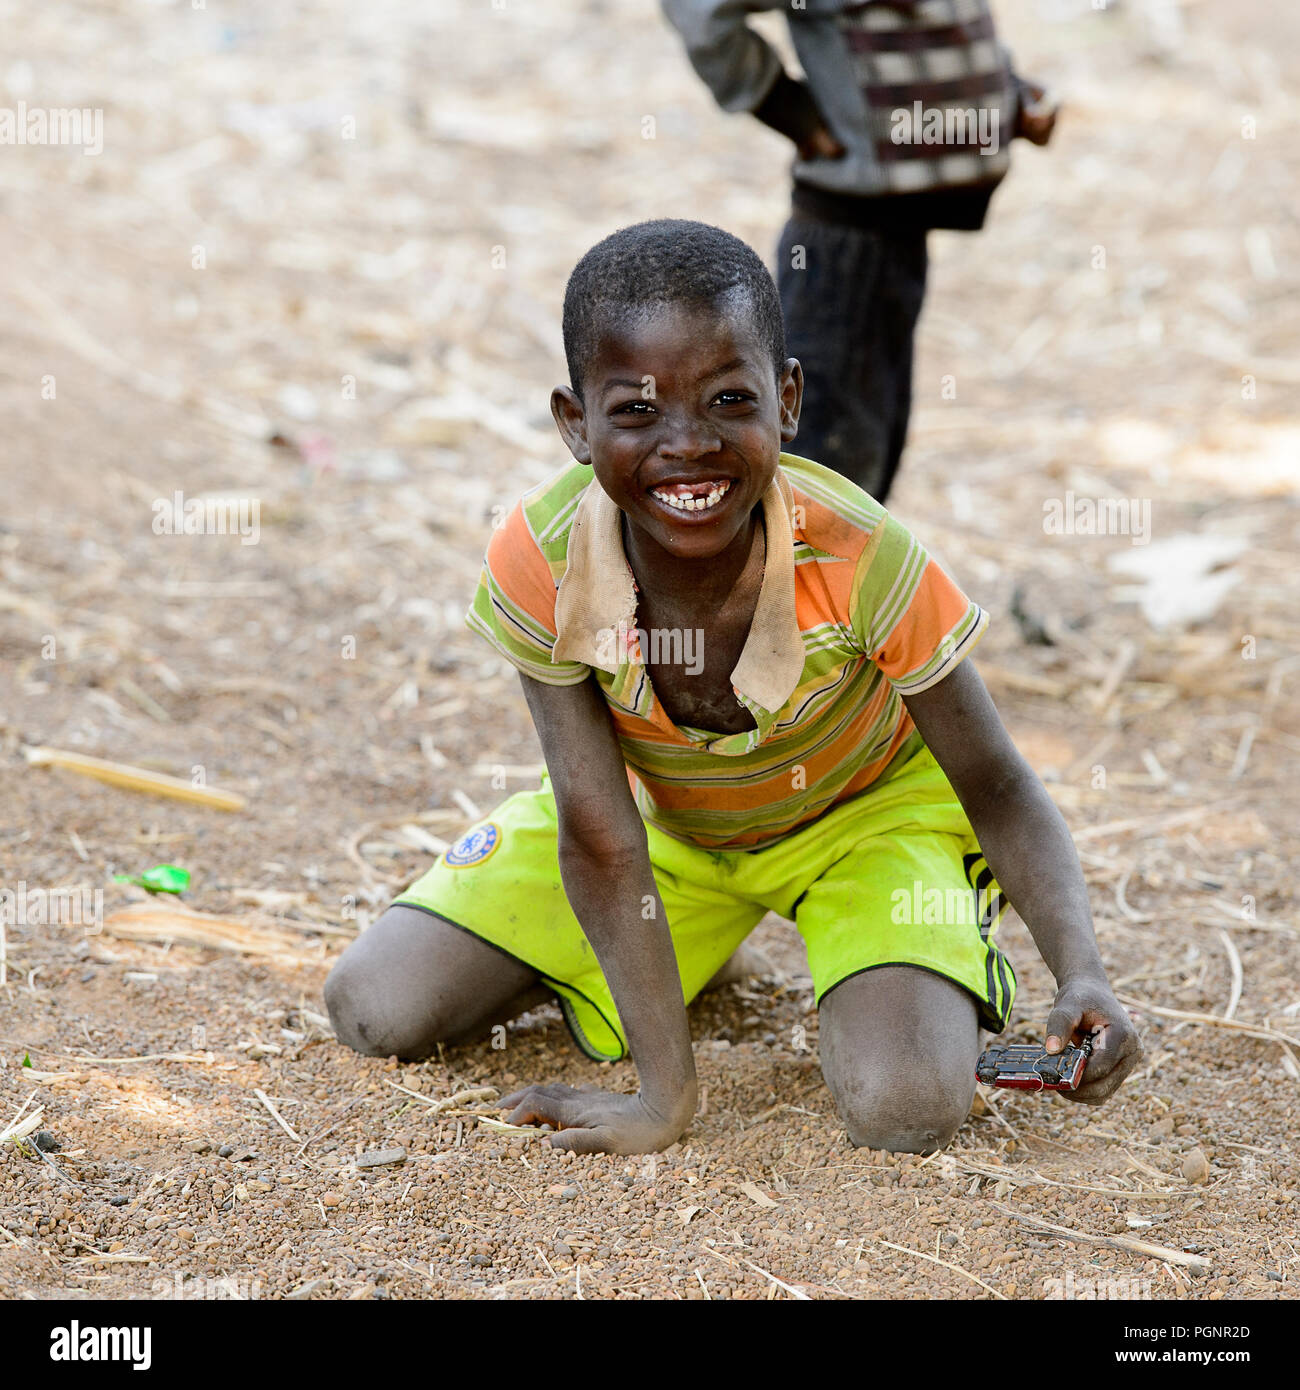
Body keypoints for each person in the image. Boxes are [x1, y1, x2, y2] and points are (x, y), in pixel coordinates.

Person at [324, 220, 1138, 1157]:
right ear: (573, 423)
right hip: (662, 824)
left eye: (728, 400)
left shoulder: (863, 558)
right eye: (634, 411)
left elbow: (997, 784)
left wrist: (1082, 971)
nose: (689, 446)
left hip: (865, 823)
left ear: (786, 401)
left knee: (905, 1106)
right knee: (374, 1009)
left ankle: (903, 939)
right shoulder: (538, 562)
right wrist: (662, 1096)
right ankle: (691, 943)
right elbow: (600, 831)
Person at [661, 0, 1056, 502]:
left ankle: (839, 572)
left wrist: (1007, 98)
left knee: (869, 446)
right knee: (824, 459)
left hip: (894, 234)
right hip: (844, 241)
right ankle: (793, 575)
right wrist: (785, 107)